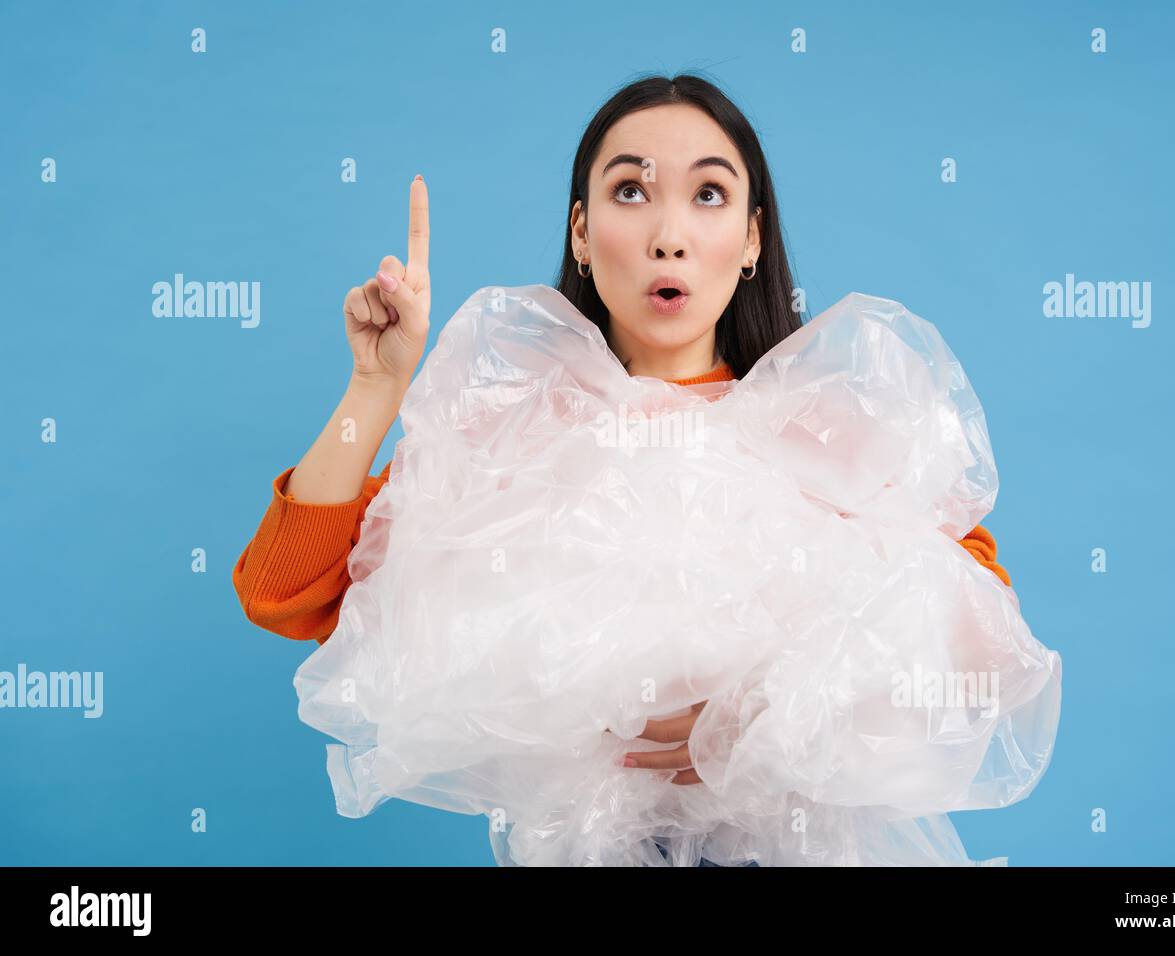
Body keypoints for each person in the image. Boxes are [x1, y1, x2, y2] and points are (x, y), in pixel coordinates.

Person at [233, 73, 1021, 866]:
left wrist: (779, 707)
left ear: (751, 239)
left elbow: (980, 635)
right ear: (581, 231)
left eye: (708, 195)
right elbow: (284, 590)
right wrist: (376, 386)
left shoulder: (822, 423)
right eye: (631, 191)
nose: (669, 235)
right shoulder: (516, 430)